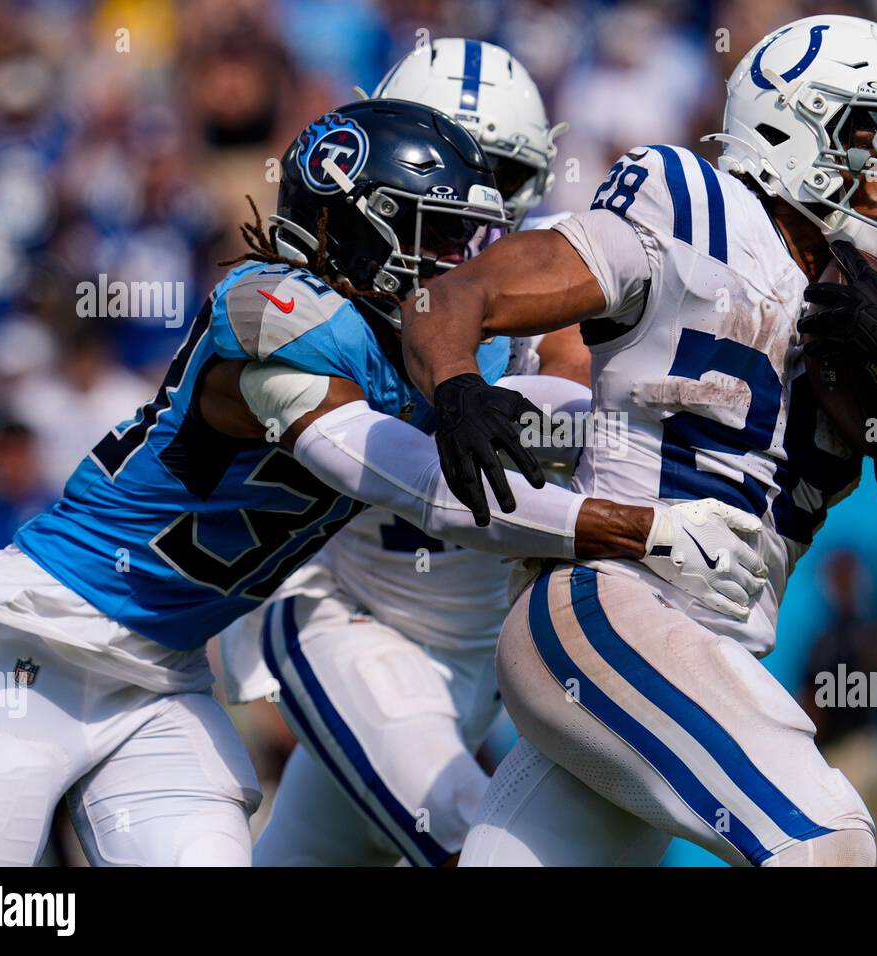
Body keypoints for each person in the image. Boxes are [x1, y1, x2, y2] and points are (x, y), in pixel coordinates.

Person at [0, 99, 765, 867]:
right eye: (437, 235)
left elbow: (526, 412)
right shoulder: (273, 307)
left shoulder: (391, 335)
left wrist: (663, 421)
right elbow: (418, 483)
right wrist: (642, 527)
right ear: (359, 222)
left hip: (165, 675)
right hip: (26, 641)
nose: (457, 262)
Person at [400, 14, 877, 866]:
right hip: (608, 603)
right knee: (827, 841)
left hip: (711, 649)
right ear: (789, 128)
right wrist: (456, 387)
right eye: (875, 141)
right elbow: (454, 298)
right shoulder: (688, 207)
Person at [236, 38, 593, 867]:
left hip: (473, 661)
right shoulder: (325, 297)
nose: (459, 213)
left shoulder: (547, 273)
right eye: (429, 185)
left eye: (492, 180)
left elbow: (578, 396)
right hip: (346, 615)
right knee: (477, 847)